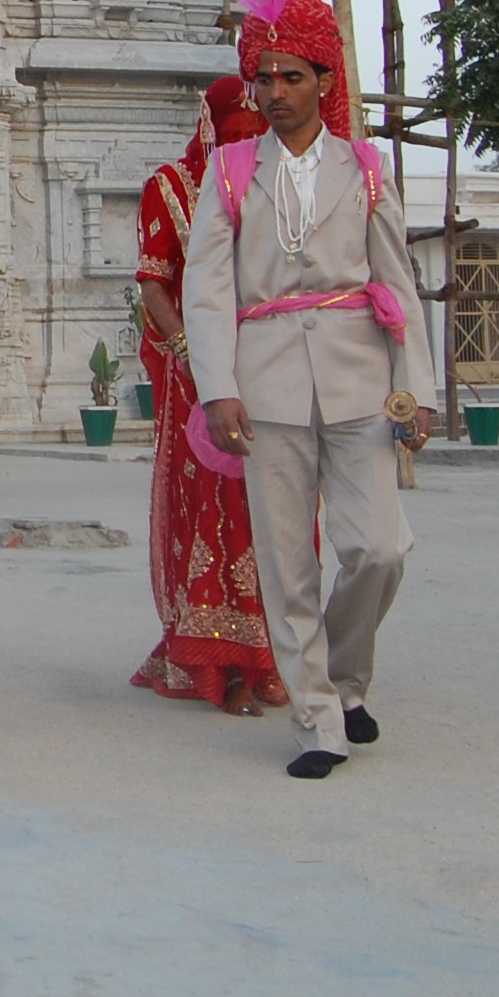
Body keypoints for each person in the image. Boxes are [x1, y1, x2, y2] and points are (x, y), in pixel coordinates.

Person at [186, 0, 434, 779]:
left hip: (361, 376)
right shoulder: (227, 171)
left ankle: (346, 679)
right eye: (265, 78)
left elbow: (398, 282)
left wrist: (417, 390)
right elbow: (207, 290)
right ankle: (320, 721)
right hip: (266, 390)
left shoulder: (364, 170)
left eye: (292, 76)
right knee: (290, 564)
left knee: (379, 548)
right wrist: (217, 385)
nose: (276, 92)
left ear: (324, 80)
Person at [130, 76, 291, 718]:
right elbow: (153, 285)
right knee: (213, 510)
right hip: (198, 380)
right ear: (210, 127)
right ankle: (212, 663)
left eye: (258, 132)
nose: (249, 142)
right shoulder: (169, 189)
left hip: (274, 370)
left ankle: (269, 659)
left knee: (278, 511)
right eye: (238, 130)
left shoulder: (278, 188)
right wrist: (193, 356)